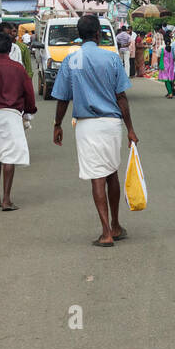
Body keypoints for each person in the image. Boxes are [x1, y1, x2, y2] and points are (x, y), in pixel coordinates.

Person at [50, 14, 138, 248]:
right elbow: (122, 97)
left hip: (86, 125)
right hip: (111, 124)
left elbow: (62, 98)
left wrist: (57, 124)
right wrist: (130, 129)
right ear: (99, 34)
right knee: (111, 172)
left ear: (79, 35)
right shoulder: (111, 58)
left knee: (96, 176)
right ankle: (117, 225)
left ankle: (106, 232)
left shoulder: (71, 60)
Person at [0, 30, 38, 211]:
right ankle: (6, 199)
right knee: (9, 155)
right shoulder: (18, 68)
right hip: (11, 113)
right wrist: (30, 109)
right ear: (11, 48)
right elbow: (29, 93)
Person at [159, 31, 175, 98]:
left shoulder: (163, 49)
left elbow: (161, 58)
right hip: (172, 66)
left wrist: (160, 65)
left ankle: (170, 93)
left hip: (165, 67)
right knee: (171, 80)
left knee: (166, 80)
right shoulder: (173, 50)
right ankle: (172, 91)